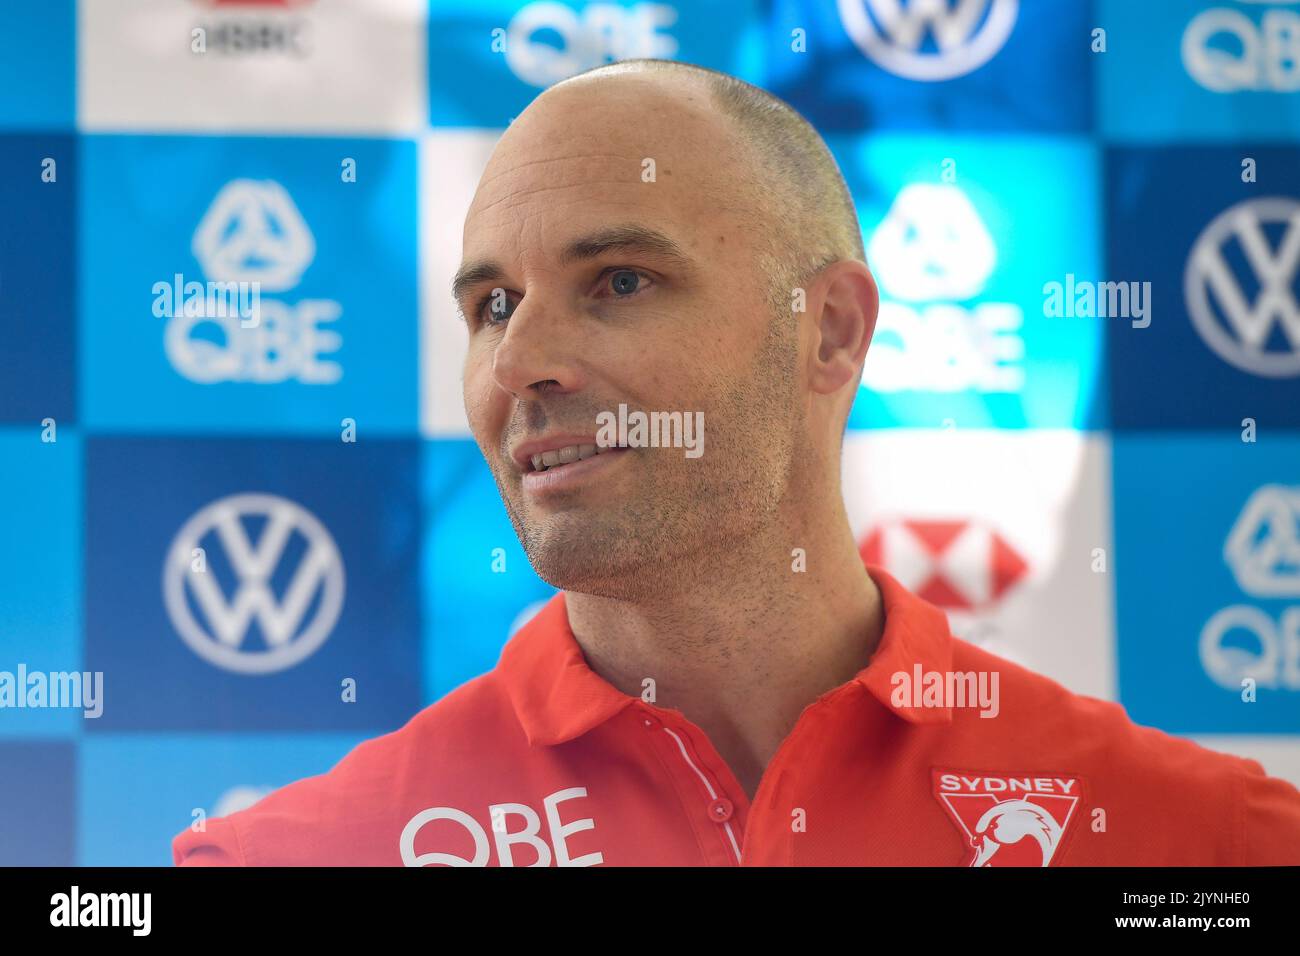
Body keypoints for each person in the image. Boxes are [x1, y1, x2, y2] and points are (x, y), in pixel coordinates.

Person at [173, 59, 1300, 866]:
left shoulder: (1211, 843)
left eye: (618, 280)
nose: (520, 362)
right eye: (493, 305)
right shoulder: (285, 855)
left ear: (830, 332)